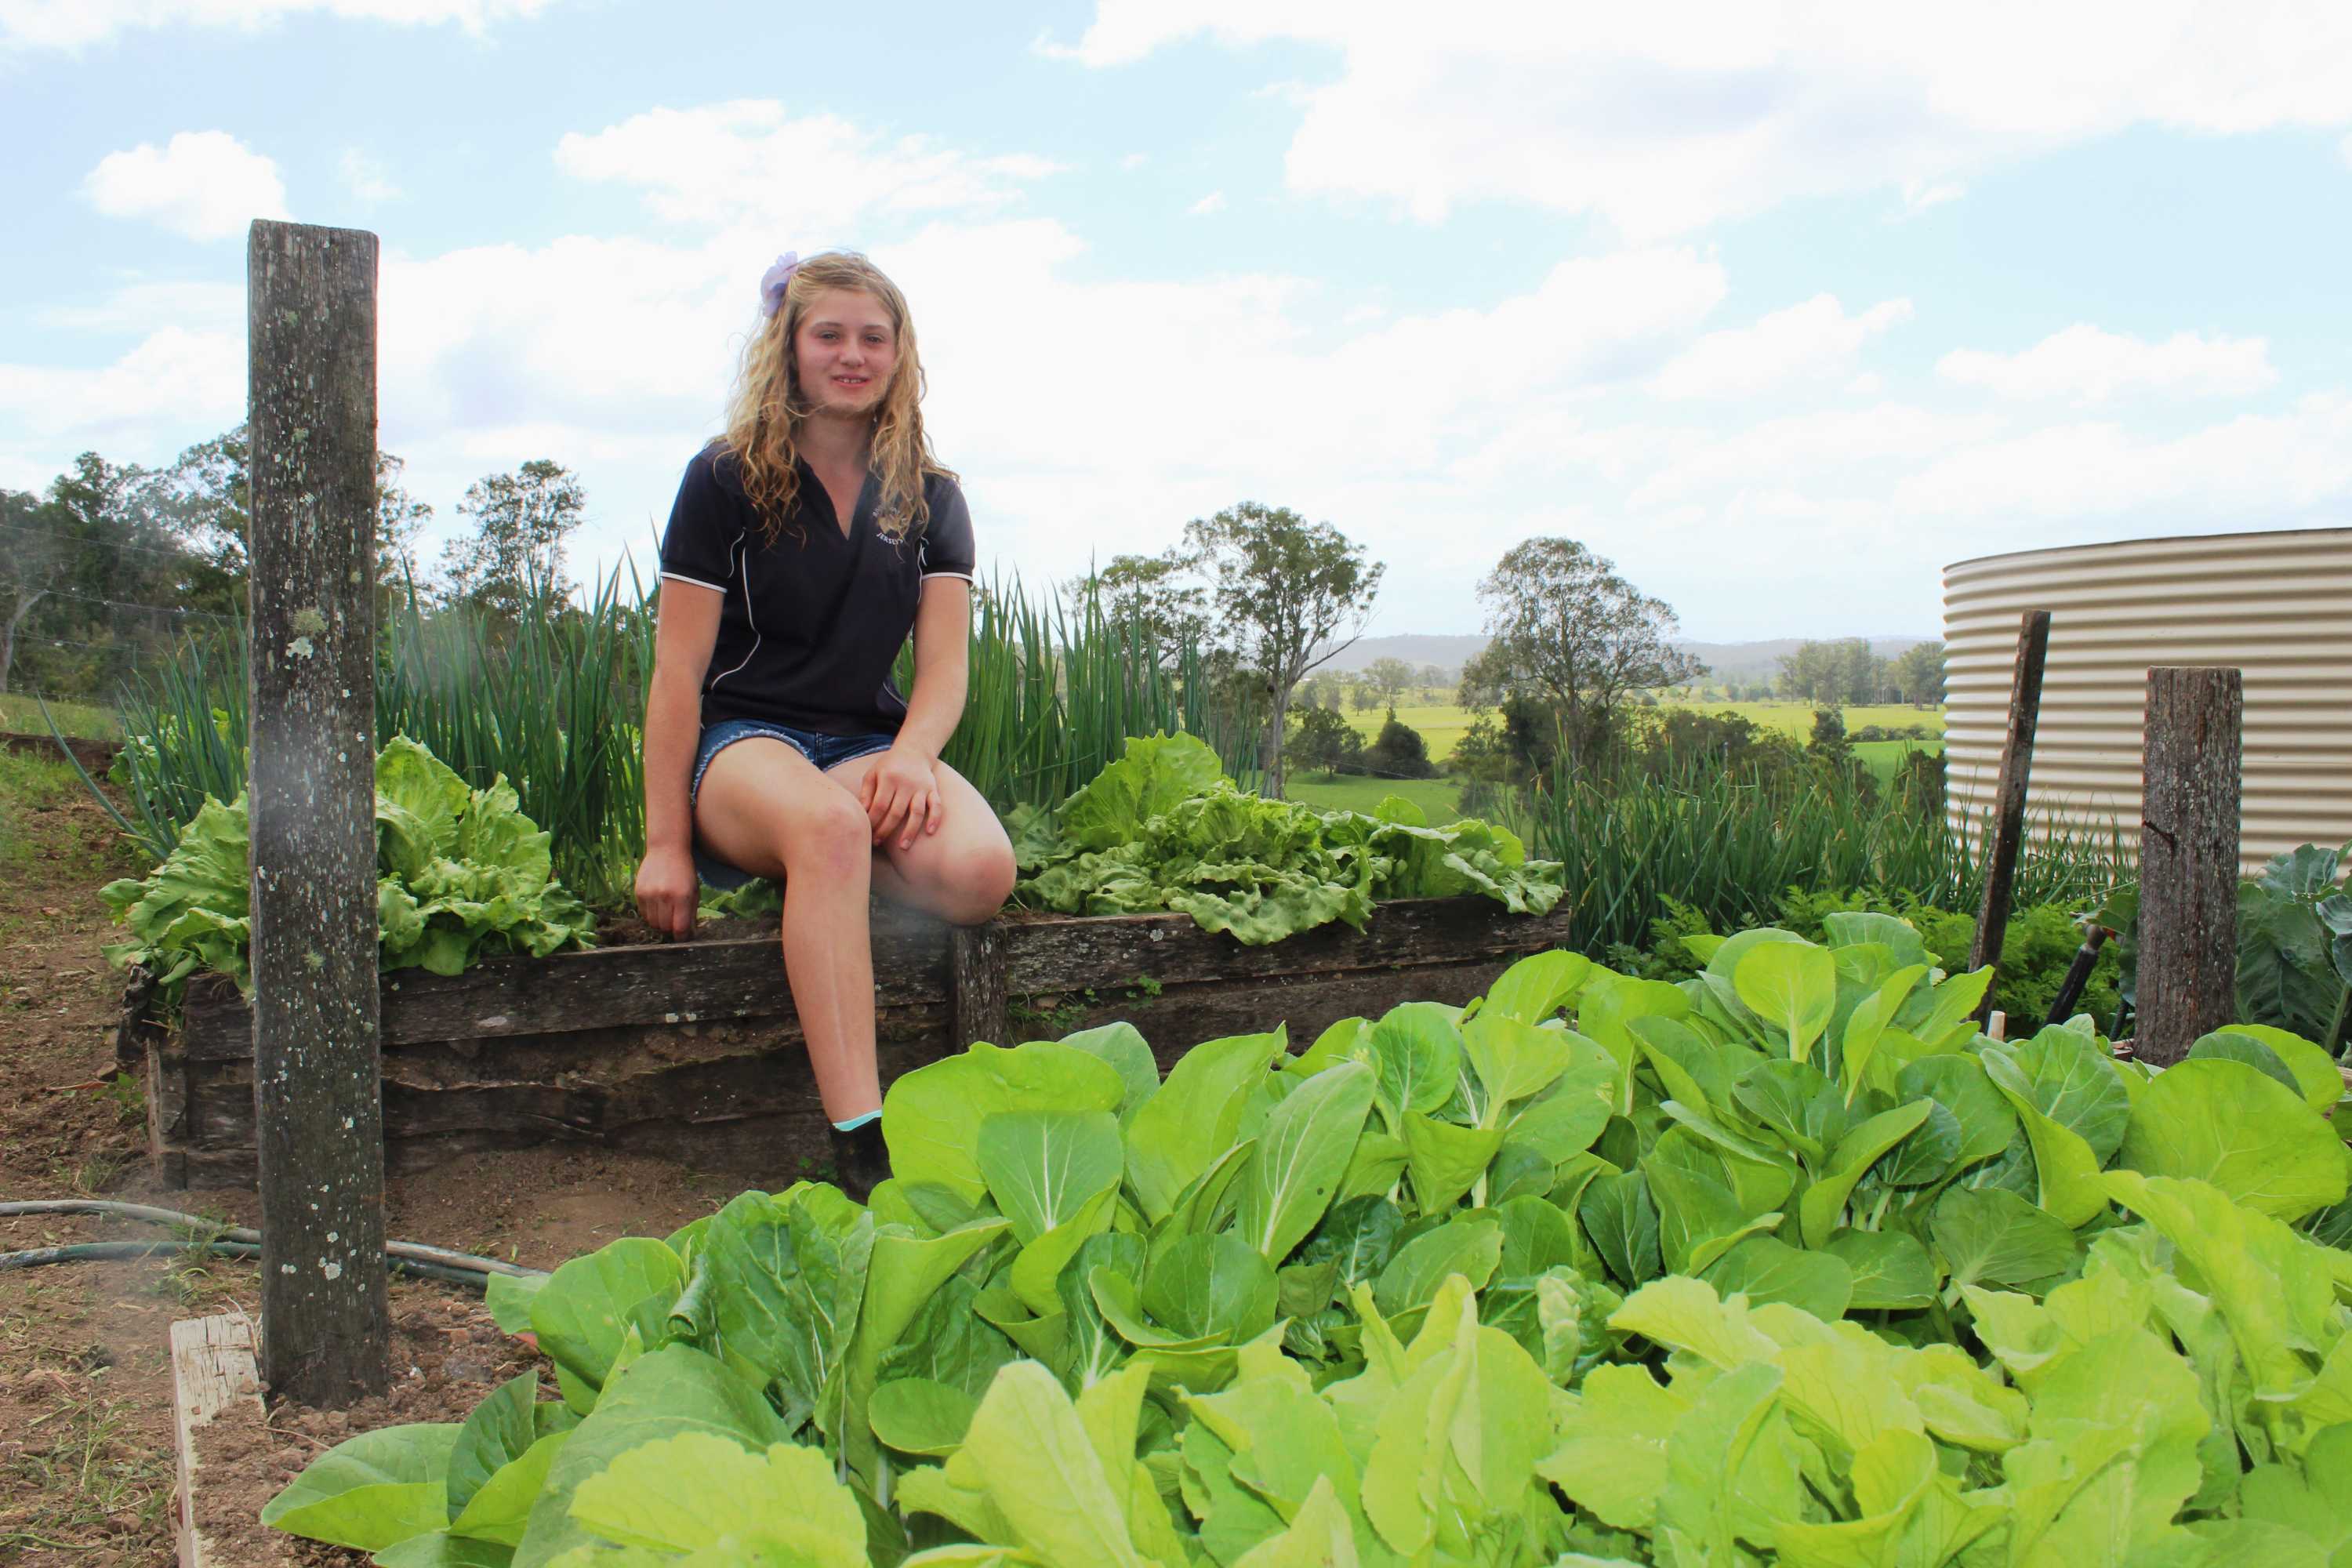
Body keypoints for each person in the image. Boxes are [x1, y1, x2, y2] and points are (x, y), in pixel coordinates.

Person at [633, 249, 1017, 1199]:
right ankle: (862, 1146)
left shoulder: (932, 496)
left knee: (980, 872)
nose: (852, 354)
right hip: (744, 747)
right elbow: (677, 673)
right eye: (830, 334)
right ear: (789, 346)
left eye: (873, 337)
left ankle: (820, 870)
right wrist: (664, 844)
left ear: (899, 353)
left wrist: (913, 757)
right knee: (833, 828)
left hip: (862, 747)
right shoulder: (723, 477)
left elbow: (945, 668)